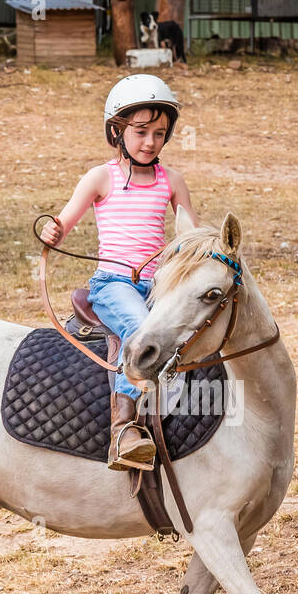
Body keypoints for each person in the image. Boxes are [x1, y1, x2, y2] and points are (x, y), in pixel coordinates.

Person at [41, 74, 198, 471]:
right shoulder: (101, 178)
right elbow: (62, 224)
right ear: (117, 130)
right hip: (114, 284)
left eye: (159, 133)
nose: (150, 142)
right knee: (143, 331)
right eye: (141, 131)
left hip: (160, 284)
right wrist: (52, 230)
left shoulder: (172, 182)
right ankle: (124, 430)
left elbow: (189, 237)